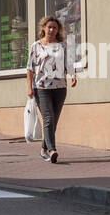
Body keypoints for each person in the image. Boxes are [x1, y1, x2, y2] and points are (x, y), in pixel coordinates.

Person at [27, 15, 76, 163]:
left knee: (53, 120)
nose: (52, 30)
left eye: (55, 27)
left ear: (58, 30)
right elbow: (30, 69)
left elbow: (69, 63)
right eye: (49, 27)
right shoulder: (36, 46)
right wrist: (29, 88)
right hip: (42, 87)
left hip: (60, 87)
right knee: (48, 118)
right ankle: (52, 149)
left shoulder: (63, 45)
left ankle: (43, 148)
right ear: (43, 28)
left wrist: (73, 75)